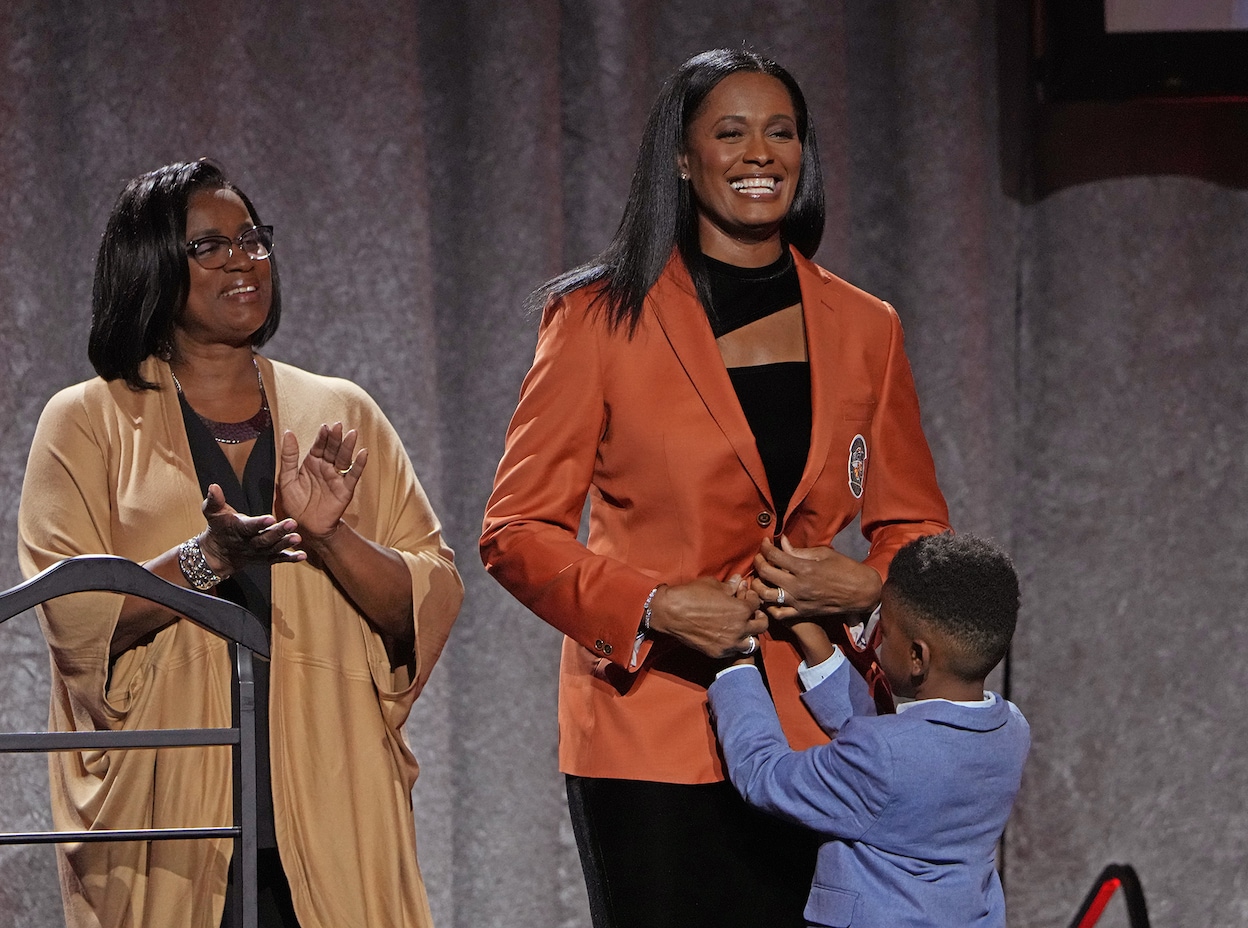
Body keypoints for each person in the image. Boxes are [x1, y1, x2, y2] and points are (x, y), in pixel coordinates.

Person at [479, 48, 950, 928]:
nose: (759, 152)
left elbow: (916, 525)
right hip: (651, 728)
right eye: (729, 132)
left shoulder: (866, 326)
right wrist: (655, 605)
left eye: (781, 131)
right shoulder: (596, 317)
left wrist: (875, 582)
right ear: (685, 159)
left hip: (820, 733)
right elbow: (516, 531)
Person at [17, 159, 464, 928]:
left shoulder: (341, 411)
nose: (242, 259)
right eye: (209, 246)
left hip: (334, 801)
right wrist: (208, 560)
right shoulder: (84, 421)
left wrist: (333, 537)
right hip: (168, 816)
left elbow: (425, 603)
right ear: (151, 264)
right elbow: (74, 617)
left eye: (252, 238)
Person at [709, 533, 1030, 928]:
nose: (875, 643)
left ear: (917, 656)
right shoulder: (1012, 728)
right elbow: (899, 743)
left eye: (885, 631)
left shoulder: (883, 755)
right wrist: (815, 640)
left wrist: (736, 663)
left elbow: (764, 776)